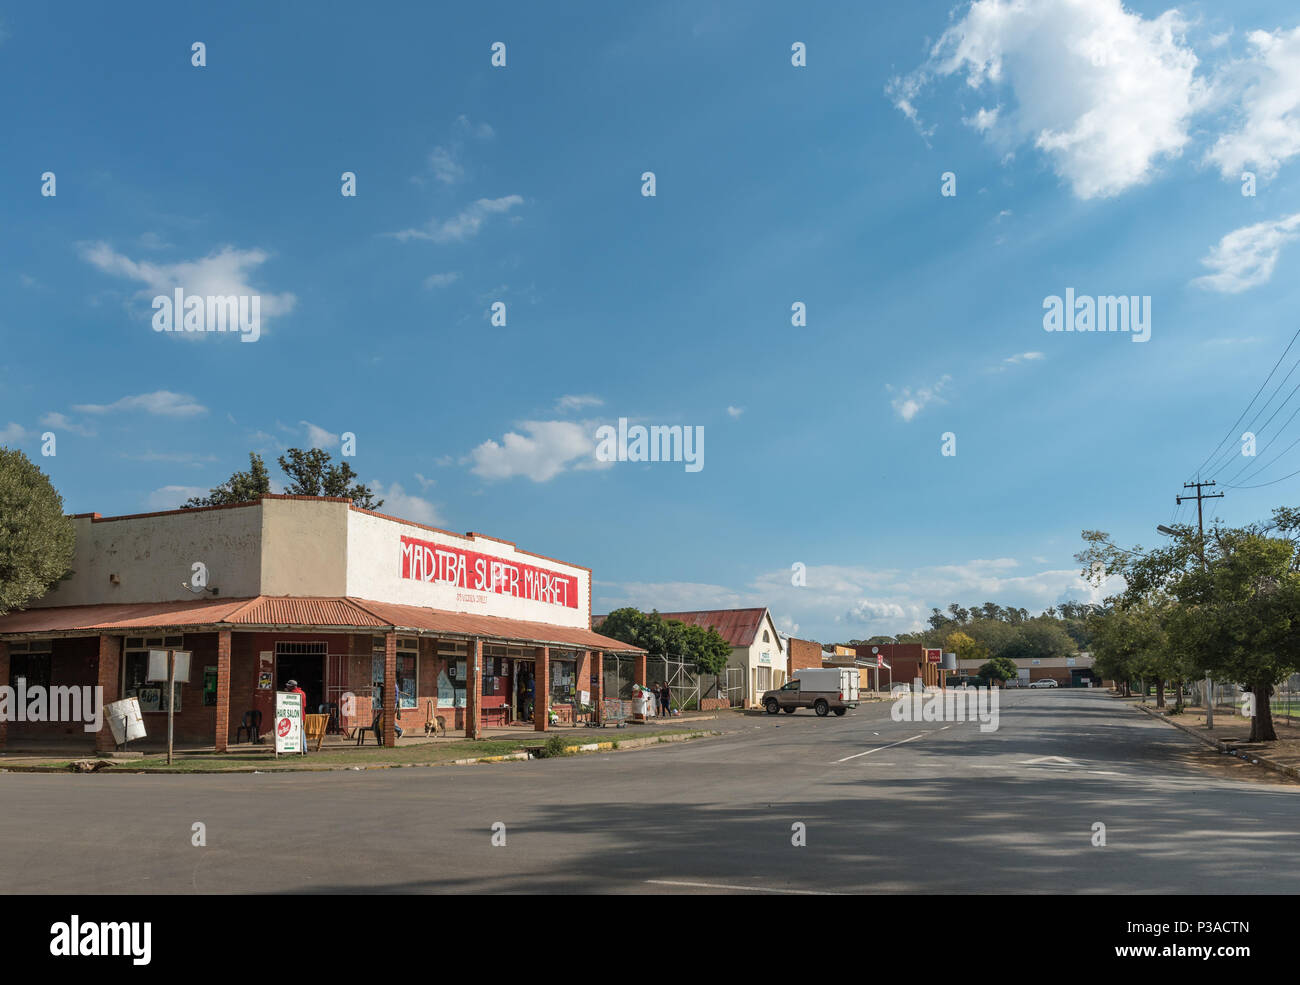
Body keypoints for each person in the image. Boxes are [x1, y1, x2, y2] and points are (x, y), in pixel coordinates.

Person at [286, 679, 307, 752]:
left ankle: (284, 748)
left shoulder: (291, 694)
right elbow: (304, 705)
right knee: (301, 730)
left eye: (288, 686)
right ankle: (304, 749)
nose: (287, 687)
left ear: (292, 687)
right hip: (302, 714)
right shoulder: (303, 693)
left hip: (293, 715)